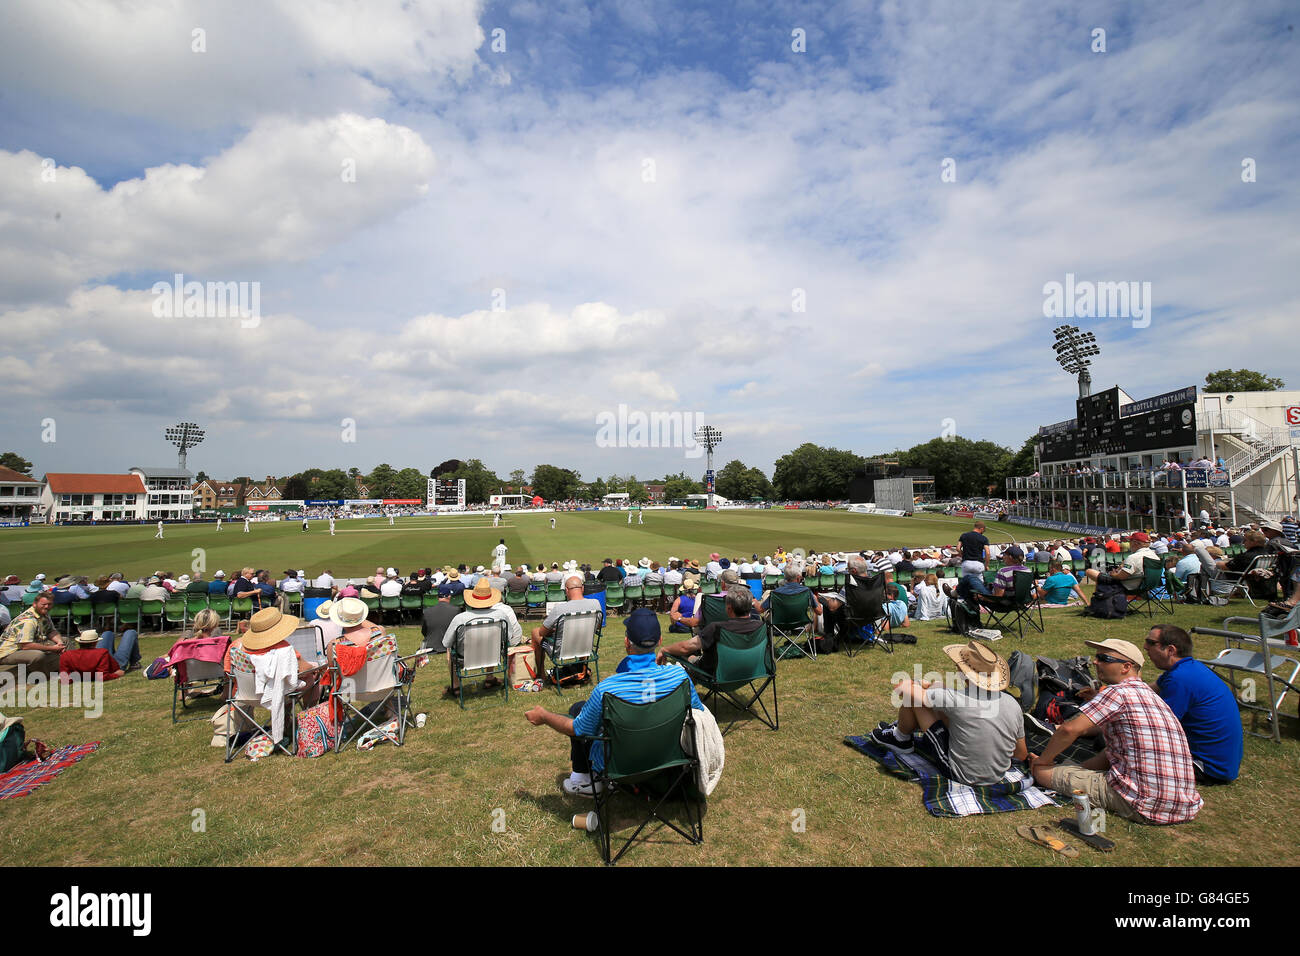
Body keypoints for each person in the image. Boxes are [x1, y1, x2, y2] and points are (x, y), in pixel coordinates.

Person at [524, 607, 703, 797]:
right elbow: (699, 716)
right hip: (668, 758)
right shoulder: (680, 678)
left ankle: (584, 780)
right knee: (581, 708)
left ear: (627, 642)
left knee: (579, 711)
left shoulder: (608, 689)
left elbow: (578, 729)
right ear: (659, 640)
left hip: (620, 766)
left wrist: (544, 716)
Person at [1029, 638, 1202, 825]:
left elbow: (1069, 730)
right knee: (1099, 755)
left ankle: (1055, 770)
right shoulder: (1152, 697)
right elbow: (1110, 752)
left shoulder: (1118, 692)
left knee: (1042, 773)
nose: (1095, 662)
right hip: (1181, 804)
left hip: (1142, 804)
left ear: (1126, 667)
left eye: (1104, 658)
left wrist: (1043, 761)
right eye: (1096, 657)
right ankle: (1073, 771)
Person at [870, 640, 1027, 786]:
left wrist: (917, 684)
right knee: (937, 691)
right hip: (998, 774)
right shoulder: (1012, 703)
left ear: (961, 670)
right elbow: (1020, 753)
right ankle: (901, 733)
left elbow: (902, 689)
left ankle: (901, 738)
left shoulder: (956, 699)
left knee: (915, 699)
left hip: (962, 774)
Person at [1145, 624, 1243, 784]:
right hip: (1222, 764)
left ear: (1170, 650)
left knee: (1124, 747)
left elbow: (1156, 727)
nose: (1145, 647)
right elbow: (1148, 690)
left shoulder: (1180, 679)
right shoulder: (1188, 668)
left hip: (1207, 768)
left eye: (1151, 643)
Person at [441, 578, 524, 696]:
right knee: (492, 644)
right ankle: (489, 678)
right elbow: (508, 637)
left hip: (465, 658)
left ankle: (456, 686)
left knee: (450, 650)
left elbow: (446, 643)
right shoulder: (501, 615)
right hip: (492, 655)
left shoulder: (460, 618)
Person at [660, 586, 763, 676]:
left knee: (689, 657)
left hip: (717, 674)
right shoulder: (760, 626)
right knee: (692, 657)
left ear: (729, 608)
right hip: (750, 672)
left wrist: (664, 649)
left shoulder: (716, 628)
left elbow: (685, 647)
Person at [529, 574, 601, 679]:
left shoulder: (559, 609)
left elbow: (542, 633)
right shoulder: (596, 604)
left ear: (567, 590)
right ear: (582, 588)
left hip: (561, 651)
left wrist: (553, 630)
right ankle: (581, 667)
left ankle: (541, 674)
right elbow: (597, 627)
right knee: (583, 632)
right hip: (586, 647)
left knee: (535, 632)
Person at [0, 592, 66, 677]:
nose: (46, 606)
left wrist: (59, 642)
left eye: (49, 604)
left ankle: (68, 667)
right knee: (37, 655)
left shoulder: (44, 614)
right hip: (10, 652)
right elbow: (26, 646)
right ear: (34, 604)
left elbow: (51, 631)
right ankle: (42, 676)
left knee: (65, 641)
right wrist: (52, 648)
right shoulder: (28, 621)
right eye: (43, 604)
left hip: (29, 644)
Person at [1083, 531, 1159, 594]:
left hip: (1127, 586)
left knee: (1089, 571)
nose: (1129, 543)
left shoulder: (1134, 557)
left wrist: (1113, 574)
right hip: (1147, 586)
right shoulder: (1155, 556)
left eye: (1130, 541)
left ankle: (1098, 600)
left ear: (1135, 543)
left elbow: (1121, 577)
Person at [59, 629, 125, 681]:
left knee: (108, 633)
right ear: (95, 643)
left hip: (102, 663)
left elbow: (65, 678)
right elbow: (102, 677)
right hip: (114, 667)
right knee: (112, 633)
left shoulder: (66, 655)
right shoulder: (102, 653)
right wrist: (116, 675)